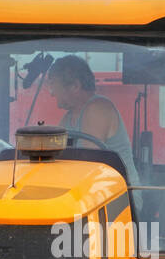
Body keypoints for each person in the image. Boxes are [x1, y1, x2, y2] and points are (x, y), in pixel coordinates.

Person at [45, 55, 139, 185]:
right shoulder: (68, 118)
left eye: (53, 85)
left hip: (121, 198)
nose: (51, 93)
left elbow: (89, 164)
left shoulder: (98, 108)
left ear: (75, 86)